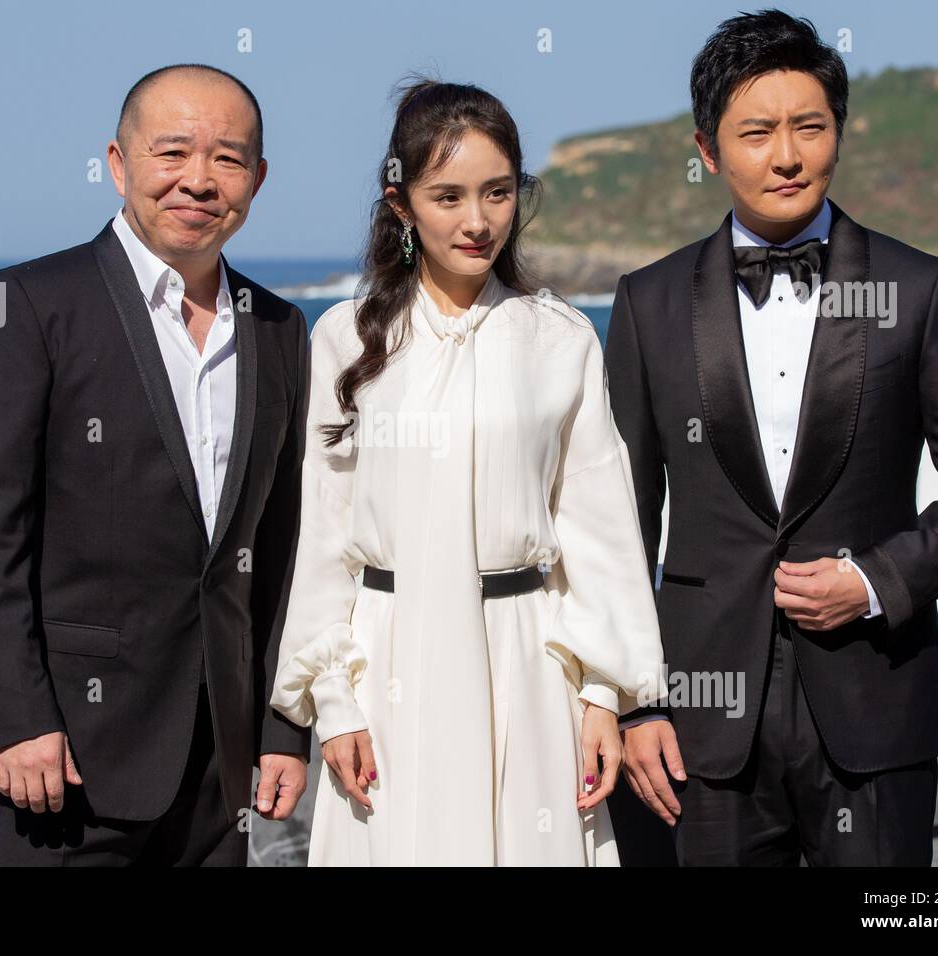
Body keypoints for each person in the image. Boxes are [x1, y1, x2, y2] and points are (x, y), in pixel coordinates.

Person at [606, 10, 938, 865]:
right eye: (757, 132)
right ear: (709, 149)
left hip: (877, 703)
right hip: (697, 717)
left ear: (840, 132)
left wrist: (874, 579)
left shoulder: (919, 288)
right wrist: (633, 702)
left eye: (810, 127)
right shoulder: (648, 304)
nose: (787, 155)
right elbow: (619, 522)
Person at [269, 78, 666, 865]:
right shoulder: (346, 340)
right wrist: (334, 703)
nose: (477, 220)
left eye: (497, 192)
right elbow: (321, 535)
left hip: (526, 658)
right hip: (386, 665)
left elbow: (601, 529)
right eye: (447, 195)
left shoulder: (560, 338)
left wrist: (601, 694)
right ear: (402, 204)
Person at [0, 64, 311, 865]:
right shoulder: (25, 307)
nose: (200, 181)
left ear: (258, 177)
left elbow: (282, 547)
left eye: (228, 158)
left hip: (221, 772)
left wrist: (284, 727)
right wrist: (18, 719)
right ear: (118, 163)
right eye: (173, 151)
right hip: (64, 760)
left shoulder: (279, 328)